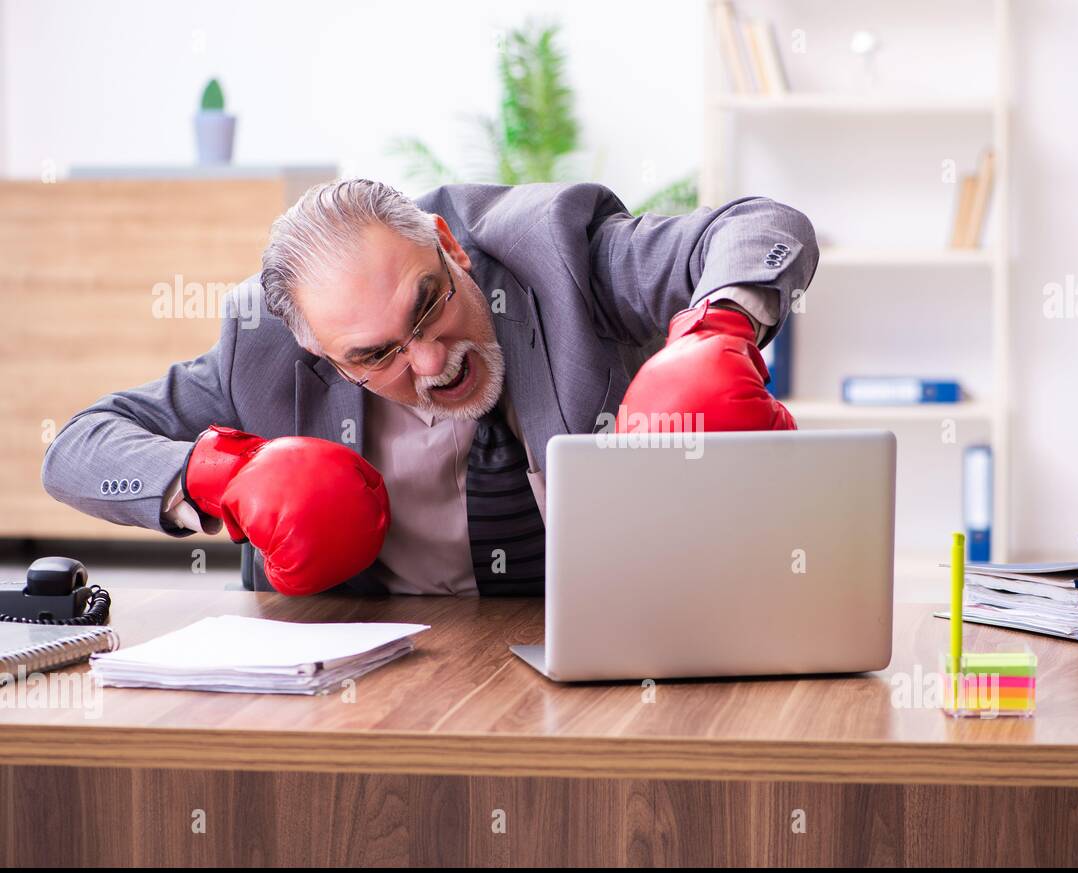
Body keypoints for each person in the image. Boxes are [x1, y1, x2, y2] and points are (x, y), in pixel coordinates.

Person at [42, 179, 817, 596]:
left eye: (431, 305)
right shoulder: (264, 349)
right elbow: (77, 445)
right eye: (377, 355)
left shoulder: (561, 254)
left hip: (621, 648)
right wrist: (216, 476)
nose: (431, 359)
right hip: (385, 684)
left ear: (450, 247)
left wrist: (720, 329)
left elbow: (761, 225)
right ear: (326, 357)